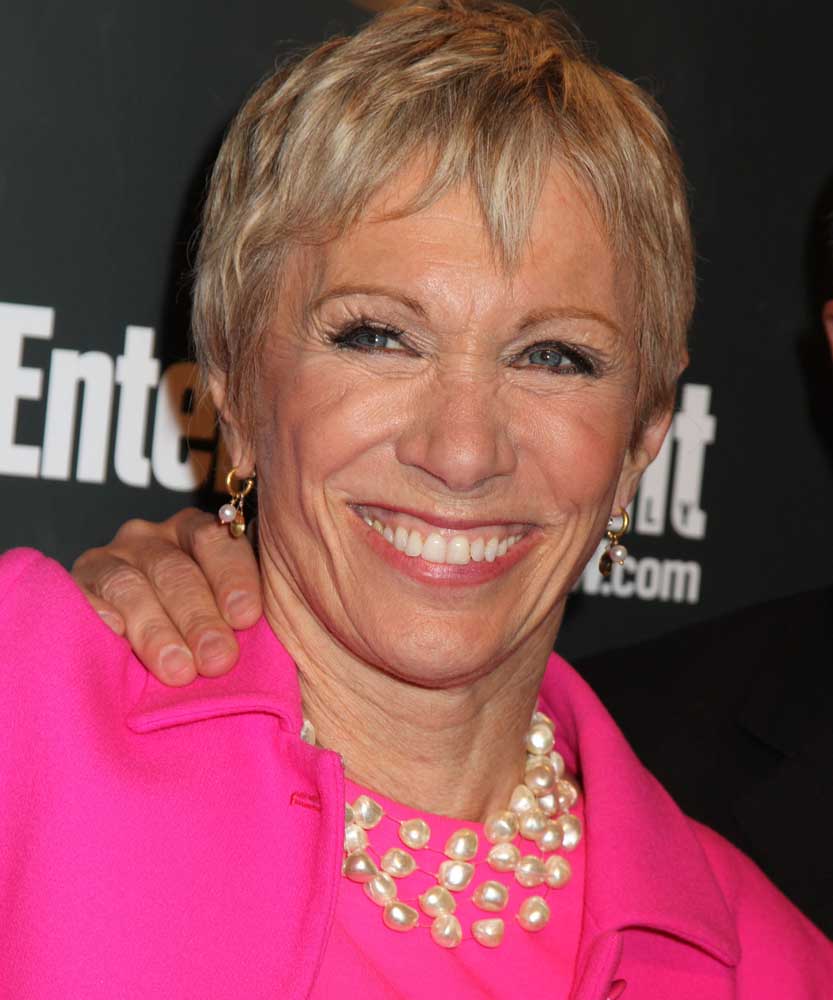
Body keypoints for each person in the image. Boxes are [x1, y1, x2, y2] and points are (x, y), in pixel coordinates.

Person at [3, 2, 831, 997]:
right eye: (377, 336)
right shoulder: (30, 721)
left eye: (552, 356)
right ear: (234, 385)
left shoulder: (769, 962)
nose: (462, 450)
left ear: (642, 437)